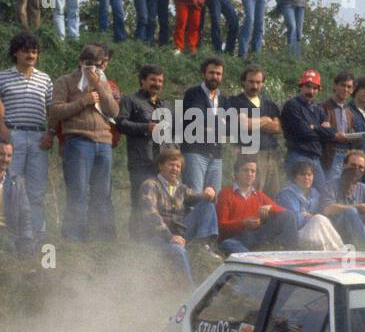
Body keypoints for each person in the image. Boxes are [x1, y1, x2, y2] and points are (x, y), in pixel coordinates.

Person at [50, 45, 119, 242]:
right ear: (81, 62)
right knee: (78, 191)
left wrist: (99, 87)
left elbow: (114, 111)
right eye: (89, 64)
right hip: (78, 140)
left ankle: (101, 238)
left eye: (98, 65)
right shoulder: (65, 81)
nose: (94, 69)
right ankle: (73, 238)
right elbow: (55, 111)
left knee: (102, 193)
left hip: (104, 143)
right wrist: (84, 101)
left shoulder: (104, 82)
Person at [136, 146, 219, 283]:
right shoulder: (150, 185)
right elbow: (150, 215)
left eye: (178, 166)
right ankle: (188, 290)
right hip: (155, 236)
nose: (175, 169)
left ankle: (203, 244)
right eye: (171, 165)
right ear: (161, 166)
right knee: (179, 251)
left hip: (178, 232)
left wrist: (209, 194)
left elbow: (196, 197)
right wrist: (169, 237)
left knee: (207, 205)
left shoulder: (180, 187)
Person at [0, 32, 54, 237]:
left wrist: (50, 133)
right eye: (25, 51)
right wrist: (2, 128)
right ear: (16, 53)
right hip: (12, 136)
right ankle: (9, 234)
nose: (31, 55)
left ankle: (35, 234)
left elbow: (52, 110)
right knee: (10, 185)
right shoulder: (3, 76)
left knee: (36, 189)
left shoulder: (45, 78)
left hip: (38, 137)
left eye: (34, 51)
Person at [116, 63, 166, 219]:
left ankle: (156, 236)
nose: (157, 84)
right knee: (140, 200)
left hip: (161, 162)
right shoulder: (130, 99)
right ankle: (136, 238)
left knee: (160, 201)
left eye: (160, 81)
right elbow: (121, 124)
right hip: (140, 159)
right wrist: (146, 127)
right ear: (142, 80)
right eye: (153, 80)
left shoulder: (163, 105)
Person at [216, 158, 297, 254]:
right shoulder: (226, 193)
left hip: (256, 235)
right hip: (235, 238)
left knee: (289, 216)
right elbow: (221, 226)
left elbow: (281, 211)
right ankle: (253, 260)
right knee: (229, 244)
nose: (250, 174)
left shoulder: (258, 194)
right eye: (245, 170)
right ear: (236, 173)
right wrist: (243, 223)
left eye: (253, 171)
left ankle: (291, 253)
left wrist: (269, 207)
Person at [227, 64, 284, 193]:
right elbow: (244, 124)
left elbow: (277, 127)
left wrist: (254, 122)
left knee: (272, 197)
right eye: (251, 82)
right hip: (248, 155)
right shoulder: (235, 101)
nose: (255, 86)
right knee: (251, 194)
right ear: (243, 81)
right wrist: (265, 119)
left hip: (270, 155)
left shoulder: (269, 104)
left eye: (258, 82)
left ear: (263, 83)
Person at [179, 57, 230, 193]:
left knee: (214, 197)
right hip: (195, 152)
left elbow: (232, 127)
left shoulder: (223, 99)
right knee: (194, 195)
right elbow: (196, 121)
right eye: (211, 72)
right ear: (204, 73)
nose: (215, 76)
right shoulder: (193, 94)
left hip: (216, 154)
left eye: (218, 74)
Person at [273, 159, 345, 251]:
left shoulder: (315, 194)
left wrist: (309, 216)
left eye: (309, 174)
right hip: (293, 236)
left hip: (315, 233)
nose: (306, 177)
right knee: (318, 219)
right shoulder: (286, 194)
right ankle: (339, 252)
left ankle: (336, 252)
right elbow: (294, 221)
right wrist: (312, 217)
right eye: (302, 174)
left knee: (320, 222)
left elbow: (324, 217)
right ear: (295, 177)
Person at [282, 69, 333, 189]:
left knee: (321, 193)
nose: (311, 91)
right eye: (308, 87)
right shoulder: (292, 105)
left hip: (315, 157)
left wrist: (313, 127)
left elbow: (330, 134)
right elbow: (302, 132)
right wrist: (321, 130)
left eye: (315, 88)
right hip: (298, 155)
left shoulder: (318, 109)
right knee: (297, 192)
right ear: (301, 86)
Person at [319, 71, 361, 182]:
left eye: (349, 87)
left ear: (352, 90)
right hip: (330, 156)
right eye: (343, 85)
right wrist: (334, 135)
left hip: (346, 156)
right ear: (335, 86)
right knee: (330, 188)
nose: (346, 89)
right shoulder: (323, 108)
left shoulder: (350, 112)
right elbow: (320, 132)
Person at [0, 138, 35, 255]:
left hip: (8, 232)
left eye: (9, 156)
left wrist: (27, 238)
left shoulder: (17, 181)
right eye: (1, 154)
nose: (5, 159)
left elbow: (25, 213)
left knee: (25, 251)